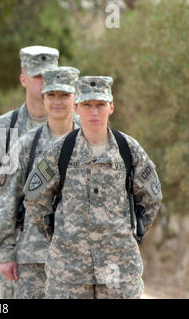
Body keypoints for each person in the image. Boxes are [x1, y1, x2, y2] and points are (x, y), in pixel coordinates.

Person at [23, 76, 162, 299]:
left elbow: (151, 198)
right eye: (87, 105)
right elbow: (34, 198)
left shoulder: (128, 149)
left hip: (119, 269)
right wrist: (60, 234)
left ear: (111, 107)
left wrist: (129, 234)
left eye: (100, 105)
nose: (94, 112)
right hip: (69, 270)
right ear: (76, 108)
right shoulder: (61, 151)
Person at [0, 45, 59, 298]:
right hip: (19, 248)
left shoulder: (76, 127)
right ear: (23, 79)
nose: (44, 84)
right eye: (37, 77)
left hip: (68, 248)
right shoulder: (3, 130)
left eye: (50, 77)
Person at [0, 66, 80, 298]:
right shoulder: (25, 145)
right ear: (44, 99)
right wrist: (6, 254)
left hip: (82, 260)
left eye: (64, 95)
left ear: (75, 99)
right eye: (51, 95)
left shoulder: (92, 141)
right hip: (34, 258)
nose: (57, 101)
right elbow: (7, 201)